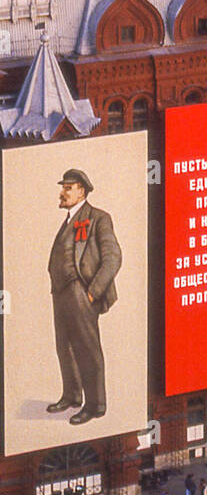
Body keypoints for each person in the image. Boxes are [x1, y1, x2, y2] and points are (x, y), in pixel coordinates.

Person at [46, 168, 123, 425]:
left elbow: (113, 258)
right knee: (64, 347)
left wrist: (92, 292)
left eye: (68, 188)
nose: (62, 192)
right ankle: (71, 396)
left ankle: (96, 405)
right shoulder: (68, 220)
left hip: (82, 293)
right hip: (61, 293)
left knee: (87, 349)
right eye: (63, 187)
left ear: (82, 190)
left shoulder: (99, 218)